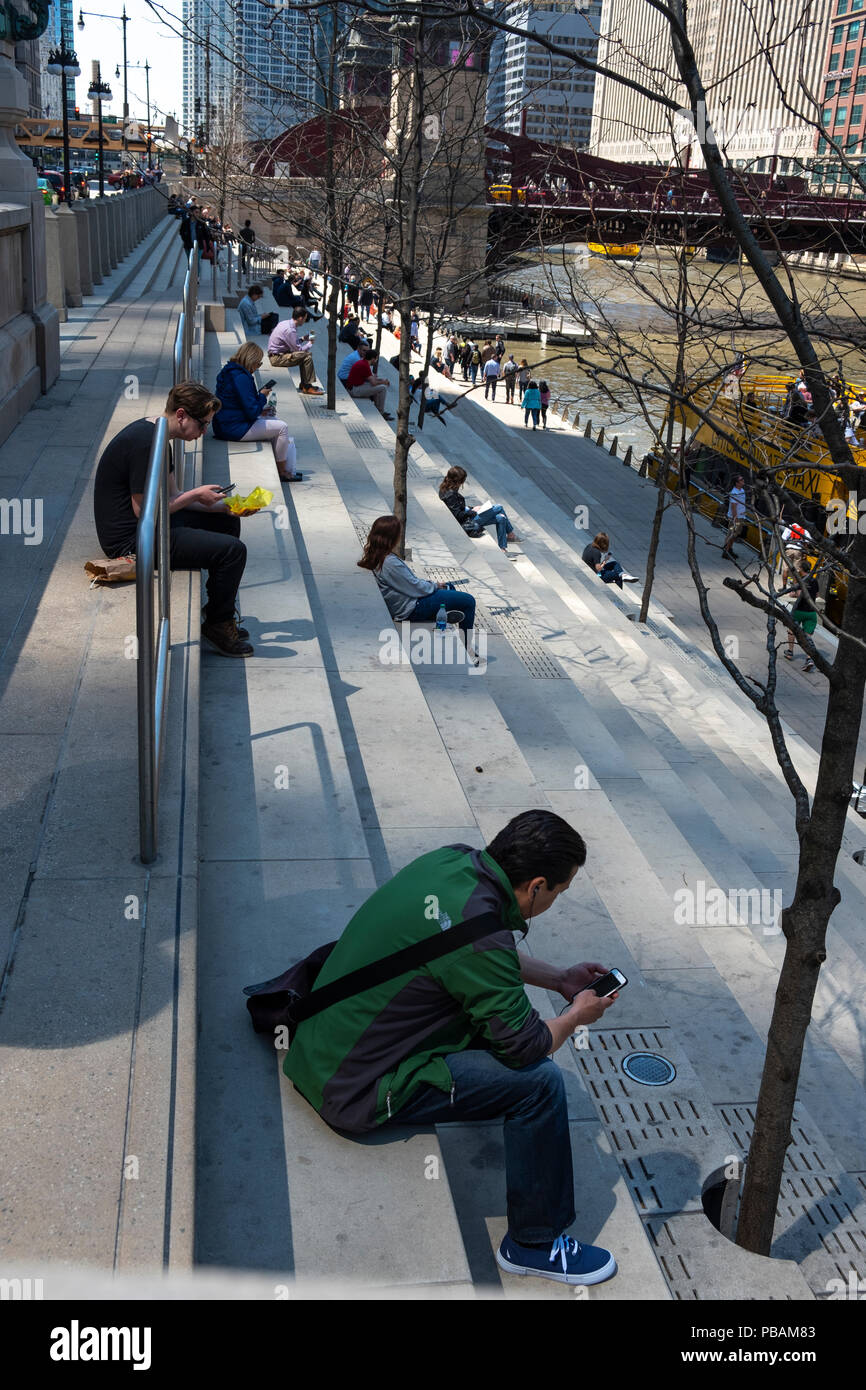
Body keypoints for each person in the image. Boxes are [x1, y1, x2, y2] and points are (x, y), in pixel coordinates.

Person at [282, 806, 620, 1287]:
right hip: (354, 1088)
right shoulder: (481, 936)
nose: (555, 901)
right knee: (540, 1085)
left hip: (320, 1041)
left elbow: (472, 947)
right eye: (559, 893)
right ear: (538, 885)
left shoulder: (452, 862)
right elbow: (528, 1045)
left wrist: (559, 978)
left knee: (490, 1018)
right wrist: (575, 1016)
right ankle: (533, 1244)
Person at [93, 381, 254, 657]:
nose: (204, 432)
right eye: (202, 424)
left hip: (150, 525)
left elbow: (174, 497)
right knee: (233, 551)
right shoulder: (146, 445)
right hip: (131, 540)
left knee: (228, 522)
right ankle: (217, 623)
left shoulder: (157, 435)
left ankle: (220, 609)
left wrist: (224, 507)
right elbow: (143, 512)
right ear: (181, 415)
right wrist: (195, 495)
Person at [358, 513, 476, 634]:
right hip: (412, 607)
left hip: (408, 600)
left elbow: (409, 583)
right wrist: (435, 585)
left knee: (450, 587)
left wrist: (434, 585)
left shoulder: (377, 555)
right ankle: (466, 643)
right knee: (469, 601)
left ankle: (443, 620)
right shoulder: (389, 562)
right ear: (392, 537)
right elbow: (415, 587)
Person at [212, 342, 301, 483]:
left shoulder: (229, 370)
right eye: (258, 364)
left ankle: (285, 467)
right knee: (282, 427)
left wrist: (261, 409)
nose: (258, 367)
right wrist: (262, 396)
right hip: (233, 428)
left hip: (224, 423)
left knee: (275, 421)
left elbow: (240, 403)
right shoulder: (241, 377)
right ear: (251, 361)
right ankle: (283, 471)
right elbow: (252, 411)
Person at [439, 465, 520, 556]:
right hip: (466, 523)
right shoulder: (451, 494)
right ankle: (511, 535)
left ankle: (503, 549)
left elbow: (457, 507)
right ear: (457, 481)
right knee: (499, 507)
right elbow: (458, 515)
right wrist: (474, 512)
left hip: (467, 519)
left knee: (501, 518)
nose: (463, 483)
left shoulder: (446, 489)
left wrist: (471, 508)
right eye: (462, 481)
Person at [267, 308, 323, 395]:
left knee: (303, 356)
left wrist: (303, 339)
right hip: (277, 358)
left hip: (276, 354)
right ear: (300, 318)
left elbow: (291, 342)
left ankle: (304, 384)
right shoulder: (290, 330)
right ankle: (307, 387)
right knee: (306, 356)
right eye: (305, 319)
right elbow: (298, 350)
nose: (305, 321)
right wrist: (310, 343)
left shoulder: (285, 323)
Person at [781, 559, 819, 671]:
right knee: (808, 637)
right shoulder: (815, 580)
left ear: (801, 569)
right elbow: (816, 594)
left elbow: (797, 594)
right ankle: (809, 659)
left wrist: (793, 591)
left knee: (791, 630)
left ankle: (790, 652)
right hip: (811, 613)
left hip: (799, 611)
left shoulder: (800, 580)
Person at [347, 348, 393, 419]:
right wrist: (384, 382)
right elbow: (374, 383)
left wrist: (381, 380)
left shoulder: (363, 362)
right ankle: (381, 412)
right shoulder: (365, 365)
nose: (376, 360)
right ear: (372, 358)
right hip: (354, 390)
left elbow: (370, 379)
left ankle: (378, 409)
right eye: (376, 358)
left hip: (353, 387)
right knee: (383, 388)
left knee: (379, 386)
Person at [722, 474, 746, 560]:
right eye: (741, 480)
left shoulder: (742, 490)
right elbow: (733, 507)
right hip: (736, 517)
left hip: (741, 516)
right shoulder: (734, 493)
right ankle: (726, 551)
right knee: (731, 534)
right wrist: (735, 518)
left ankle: (729, 549)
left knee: (735, 534)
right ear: (736, 483)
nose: (743, 481)